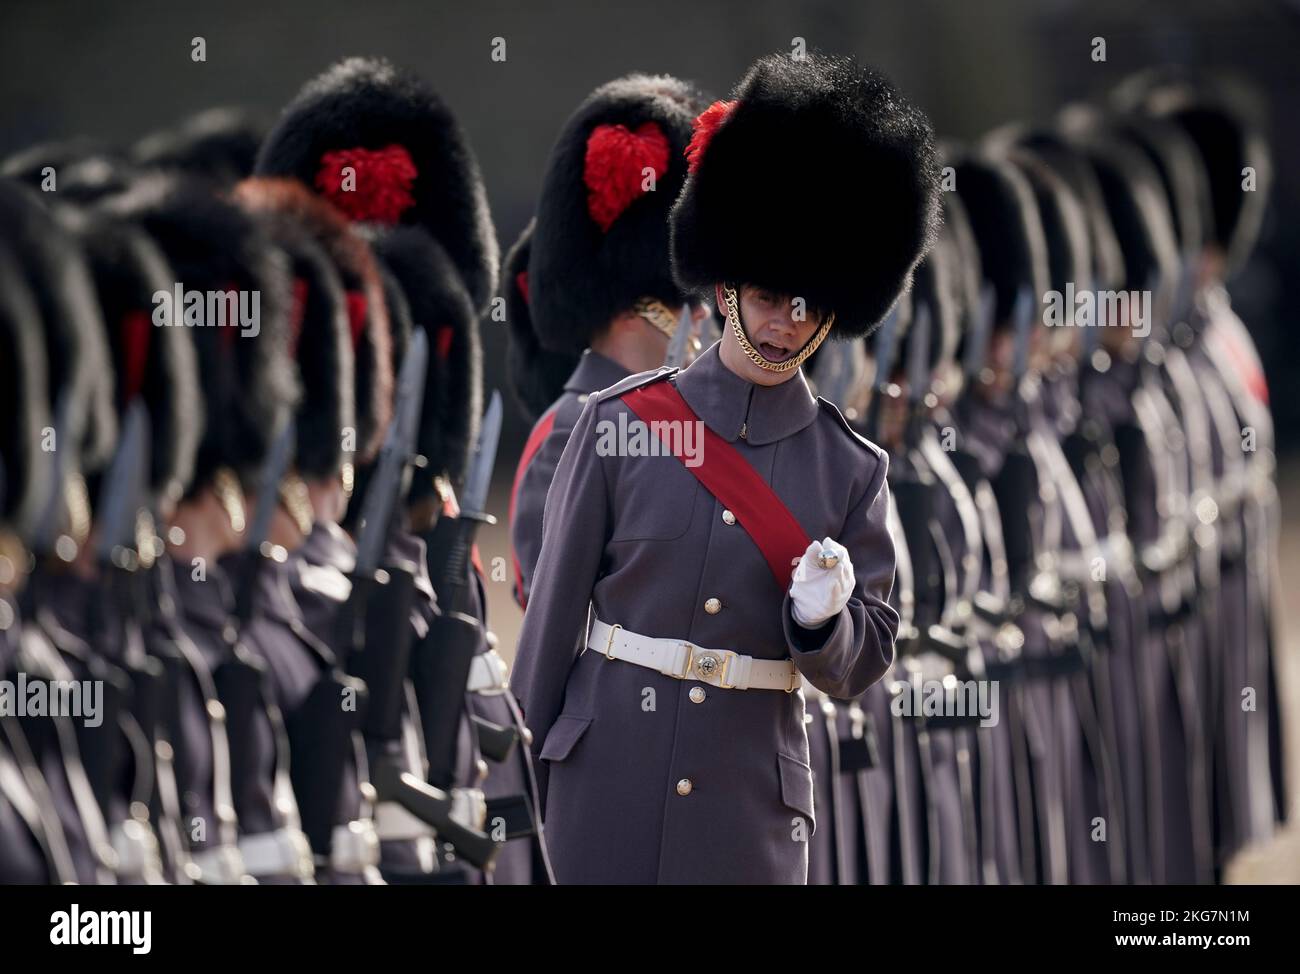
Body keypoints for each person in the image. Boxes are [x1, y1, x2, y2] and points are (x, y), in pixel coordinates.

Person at [510, 51, 939, 884]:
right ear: (727, 285)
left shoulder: (851, 470)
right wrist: (516, 799)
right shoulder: (617, 424)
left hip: (746, 810)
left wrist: (823, 624)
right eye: (771, 297)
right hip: (604, 789)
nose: (785, 323)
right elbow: (550, 632)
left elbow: (866, 659)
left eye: (809, 304)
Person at [506, 74, 708, 609]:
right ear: (634, 307)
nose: (703, 314)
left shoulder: (691, 421)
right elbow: (553, 610)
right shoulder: (568, 432)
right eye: (682, 302)